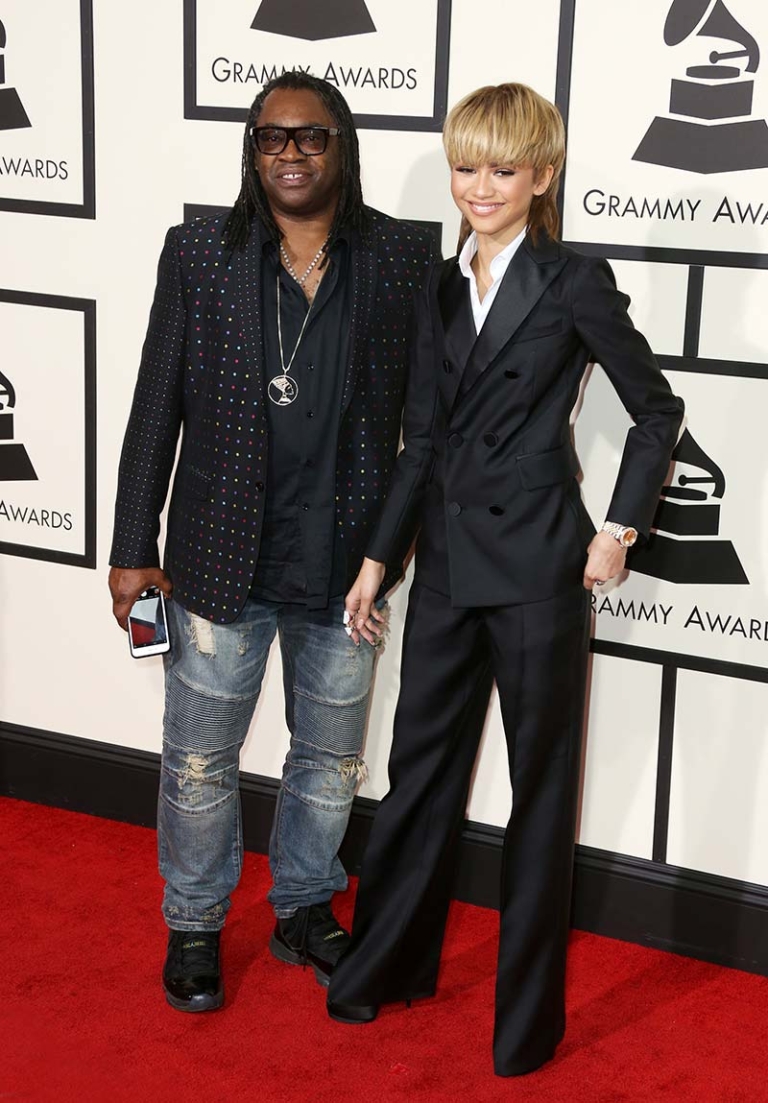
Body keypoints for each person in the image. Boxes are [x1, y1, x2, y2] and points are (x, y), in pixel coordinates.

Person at [326, 83, 684, 1076]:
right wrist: (375, 558)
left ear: (542, 176)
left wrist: (618, 527)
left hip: (537, 569)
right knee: (417, 778)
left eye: (501, 169)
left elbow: (656, 410)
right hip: (441, 567)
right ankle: (385, 963)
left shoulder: (574, 280)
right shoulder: (439, 288)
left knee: (540, 794)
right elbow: (423, 440)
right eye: (465, 167)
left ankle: (525, 1024)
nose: (479, 187)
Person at [108, 71, 437, 1013]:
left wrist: (397, 542)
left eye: (311, 137)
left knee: (329, 758)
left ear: (345, 146)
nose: (290, 152)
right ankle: (197, 921)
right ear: (251, 150)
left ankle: (301, 905)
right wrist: (134, 543)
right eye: (270, 137)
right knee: (199, 757)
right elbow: (152, 406)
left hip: (348, 567)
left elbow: (426, 422)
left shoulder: (405, 257)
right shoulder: (199, 252)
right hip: (218, 555)